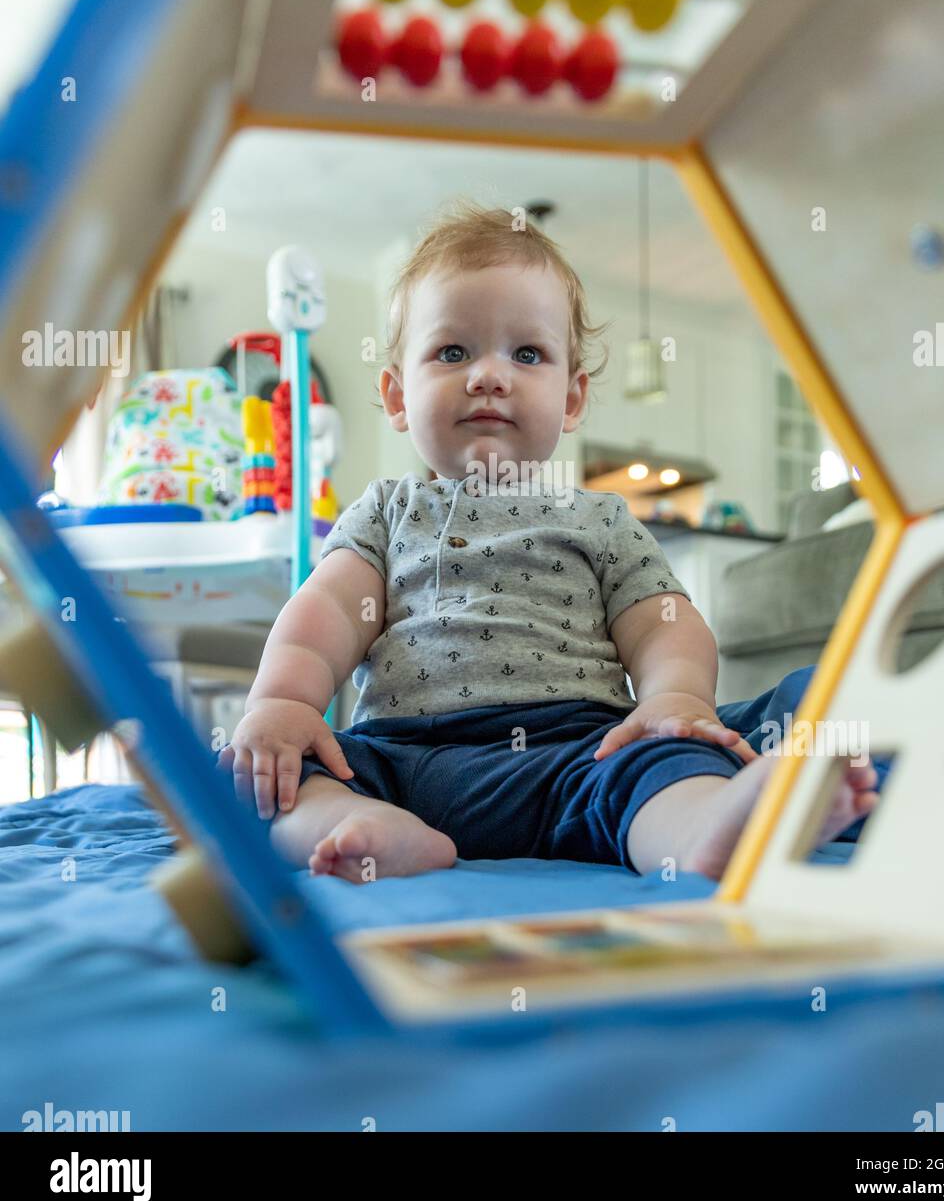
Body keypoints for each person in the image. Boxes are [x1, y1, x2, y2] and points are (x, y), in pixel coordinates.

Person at [218, 202, 879, 882]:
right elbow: (323, 615)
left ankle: (704, 826)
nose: (489, 375)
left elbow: (663, 625)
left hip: (579, 752)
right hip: (405, 762)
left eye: (527, 354)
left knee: (663, 759)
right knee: (271, 775)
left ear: (570, 399)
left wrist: (673, 697)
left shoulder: (599, 517)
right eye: (452, 352)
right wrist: (285, 705)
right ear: (395, 395)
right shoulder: (388, 510)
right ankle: (365, 831)